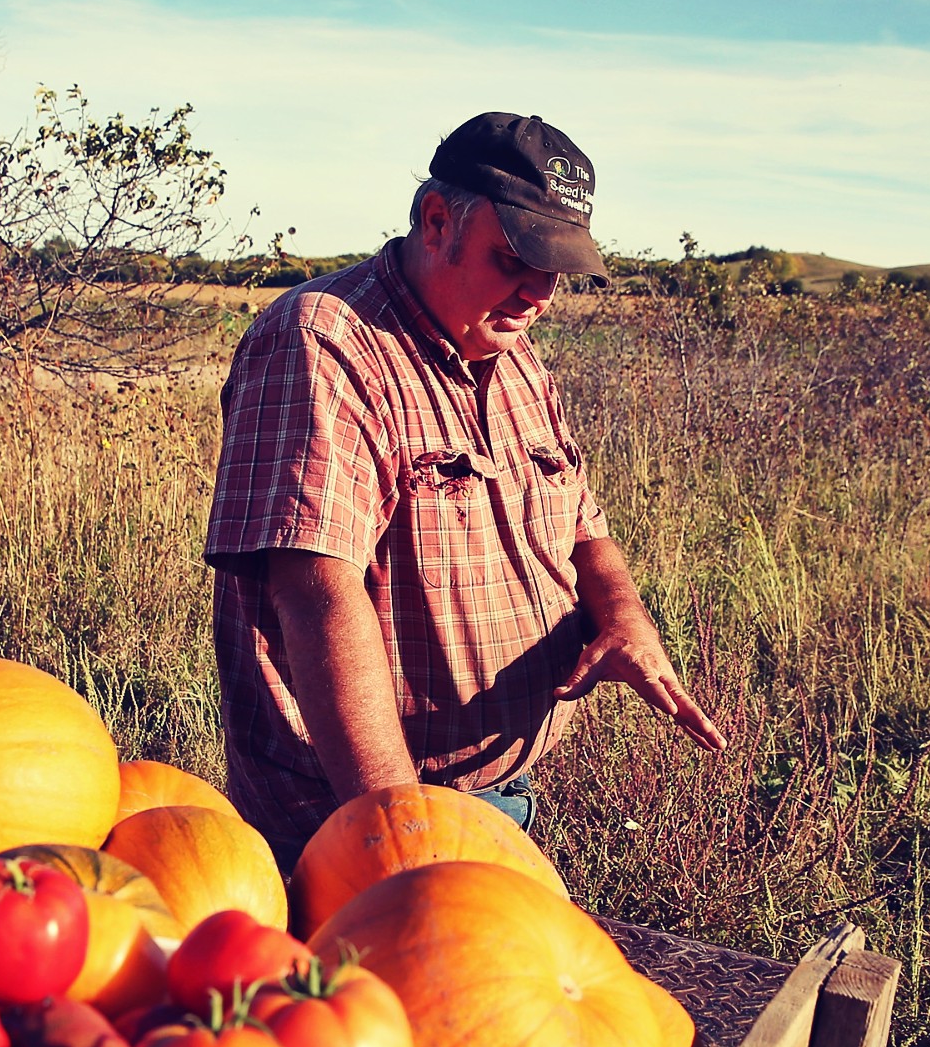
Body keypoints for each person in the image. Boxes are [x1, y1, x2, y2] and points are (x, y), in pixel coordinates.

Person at [204, 112, 724, 870]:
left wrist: (623, 616)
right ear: (437, 219)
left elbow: (583, 525)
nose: (539, 293)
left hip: (497, 798)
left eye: (557, 271)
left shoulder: (517, 362)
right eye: (516, 258)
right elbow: (316, 592)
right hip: (351, 822)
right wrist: (395, 838)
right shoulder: (322, 341)